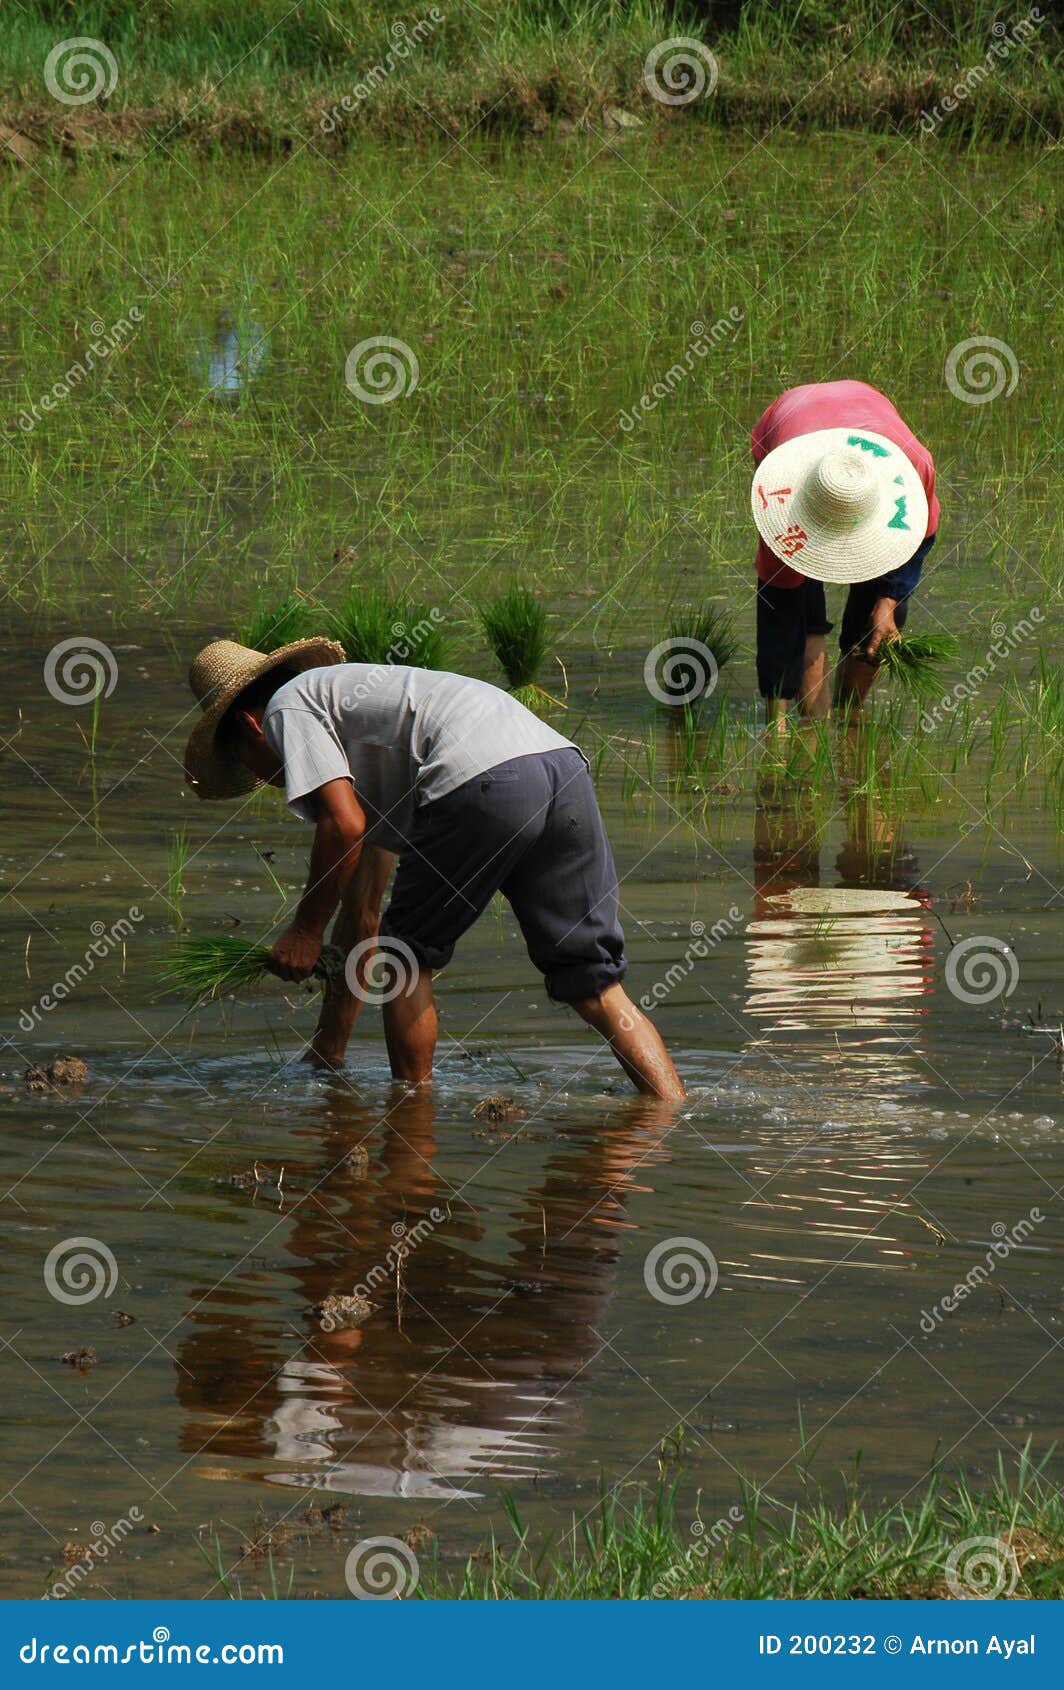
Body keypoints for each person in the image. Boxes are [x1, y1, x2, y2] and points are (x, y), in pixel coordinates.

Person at [183, 637, 685, 1101]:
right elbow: (361, 916)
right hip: (560, 766)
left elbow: (342, 826)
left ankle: (410, 1133)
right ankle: (669, 1117)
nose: (265, 780)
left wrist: (303, 930)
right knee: (594, 983)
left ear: (251, 728)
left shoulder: (285, 708)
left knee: (406, 959)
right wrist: (327, 1052)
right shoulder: (361, 724)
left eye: (247, 764)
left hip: (485, 777)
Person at [750, 379, 939, 722]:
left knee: (877, 626)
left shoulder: (912, 473)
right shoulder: (782, 493)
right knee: (800, 612)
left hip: (864, 405)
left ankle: (849, 717)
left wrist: (887, 603)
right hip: (791, 422)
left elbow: (920, 540)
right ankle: (813, 723)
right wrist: (774, 731)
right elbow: (778, 616)